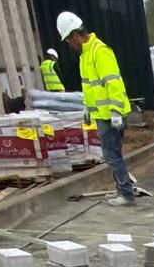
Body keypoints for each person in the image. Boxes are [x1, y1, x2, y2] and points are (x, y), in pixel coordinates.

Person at [56, 11, 142, 207]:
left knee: (112, 155)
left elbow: (113, 83)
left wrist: (116, 111)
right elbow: (90, 87)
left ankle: (126, 193)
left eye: (69, 40)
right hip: (101, 115)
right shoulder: (85, 56)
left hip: (110, 115)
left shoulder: (99, 51)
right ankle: (123, 189)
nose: (69, 45)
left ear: (75, 36)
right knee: (112, 155)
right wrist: (88, 108)